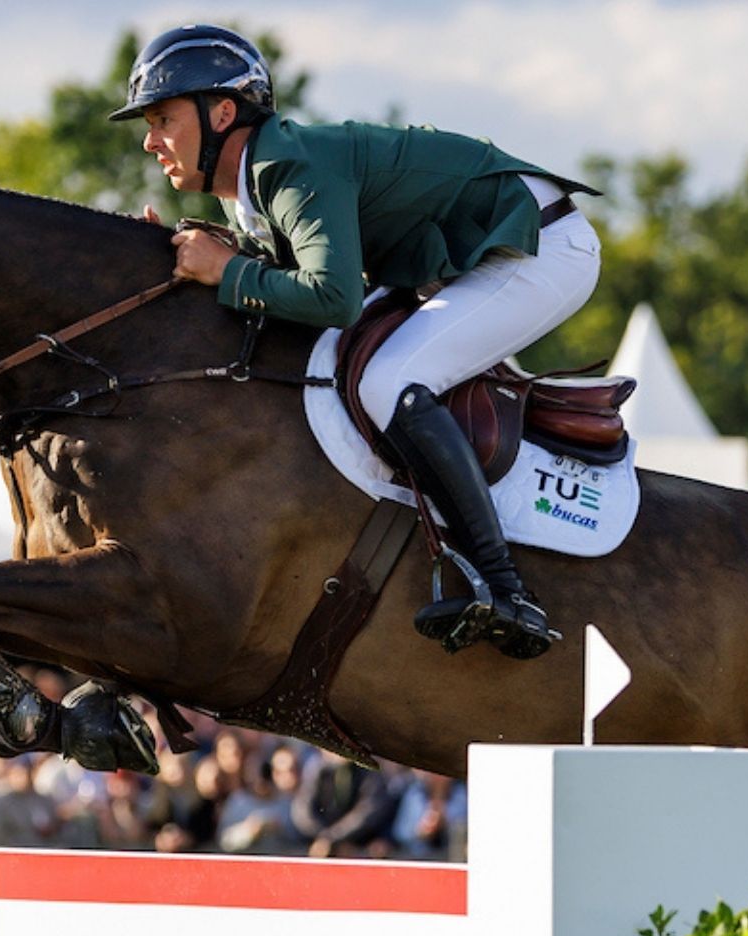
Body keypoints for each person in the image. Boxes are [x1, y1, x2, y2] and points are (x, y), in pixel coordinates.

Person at [111, 25, 600, 661]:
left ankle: (504, 589)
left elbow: (332, 298)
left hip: (539, 248)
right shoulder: (255, 189)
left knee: (386, 381)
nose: (150, 141)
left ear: (222, 112)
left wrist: (227, 271)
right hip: (487, 254)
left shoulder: (287, 165)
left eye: (162, 118)